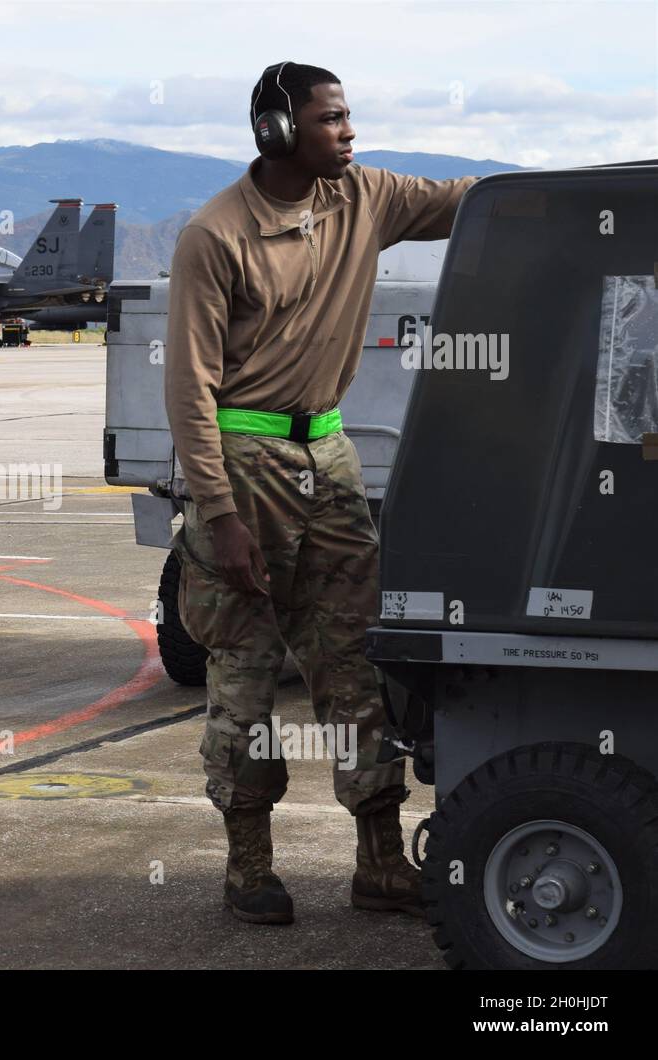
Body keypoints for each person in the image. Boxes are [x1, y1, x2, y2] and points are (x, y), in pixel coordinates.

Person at [164, 61, 476, 925]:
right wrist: (218, 513)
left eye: (348, 116)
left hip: (329, 458)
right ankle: (247, 868)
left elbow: (464, 200)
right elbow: (188, 390)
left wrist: (580, 193)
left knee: (355, 668)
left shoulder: (363, 197)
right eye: (332, 119)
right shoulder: (215, 236)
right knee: (246, 671)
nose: (349, 131)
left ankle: (379, 864)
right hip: (245, 465)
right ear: (276, 131)